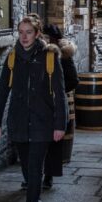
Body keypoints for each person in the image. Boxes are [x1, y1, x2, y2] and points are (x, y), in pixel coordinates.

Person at [0, 16, 67, 202]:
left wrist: (60, 124)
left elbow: (59, 94)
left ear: (37, 34)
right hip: (19, 121)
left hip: (43, 123)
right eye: (21, 32)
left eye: (29, 32)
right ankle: (35, 199)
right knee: (26, 167)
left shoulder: (49, 57)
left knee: (35, 168)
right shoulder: (13, 58)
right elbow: (2, 92)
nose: (24, 37)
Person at [42, 24, 78, 189]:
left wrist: (59, 90)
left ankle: (48, 176)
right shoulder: (38, 54)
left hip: (56, 104)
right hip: (39, 103)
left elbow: (73, 80)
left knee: (53, 144)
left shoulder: (63, 56)